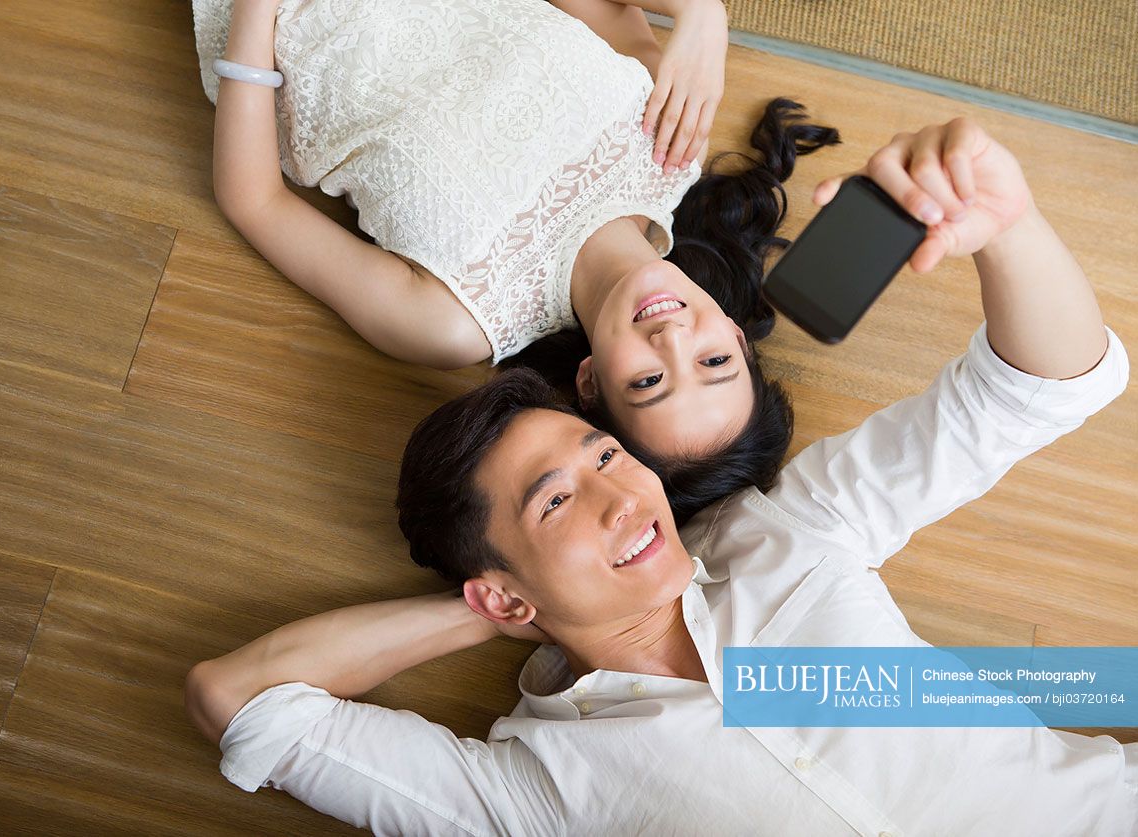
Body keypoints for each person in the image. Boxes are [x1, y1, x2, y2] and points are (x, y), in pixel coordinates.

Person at [185, 118, 1135, 835]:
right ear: (502, 591)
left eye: (605, 455)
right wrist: (502, 607)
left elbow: (1030, 393)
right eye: (553, 500)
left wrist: (1009, 226)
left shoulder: (784, 536)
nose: (619, 494)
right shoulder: (536, 789)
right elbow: (242, 699)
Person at [191, 0, 840, 518]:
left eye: (648, 382)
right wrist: (699, 12)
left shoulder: (452, 320)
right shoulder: (670, 139)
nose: (670, 338)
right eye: (712, 360)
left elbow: (254, 201)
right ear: (733, 330)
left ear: (589, 382)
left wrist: (255, 9)